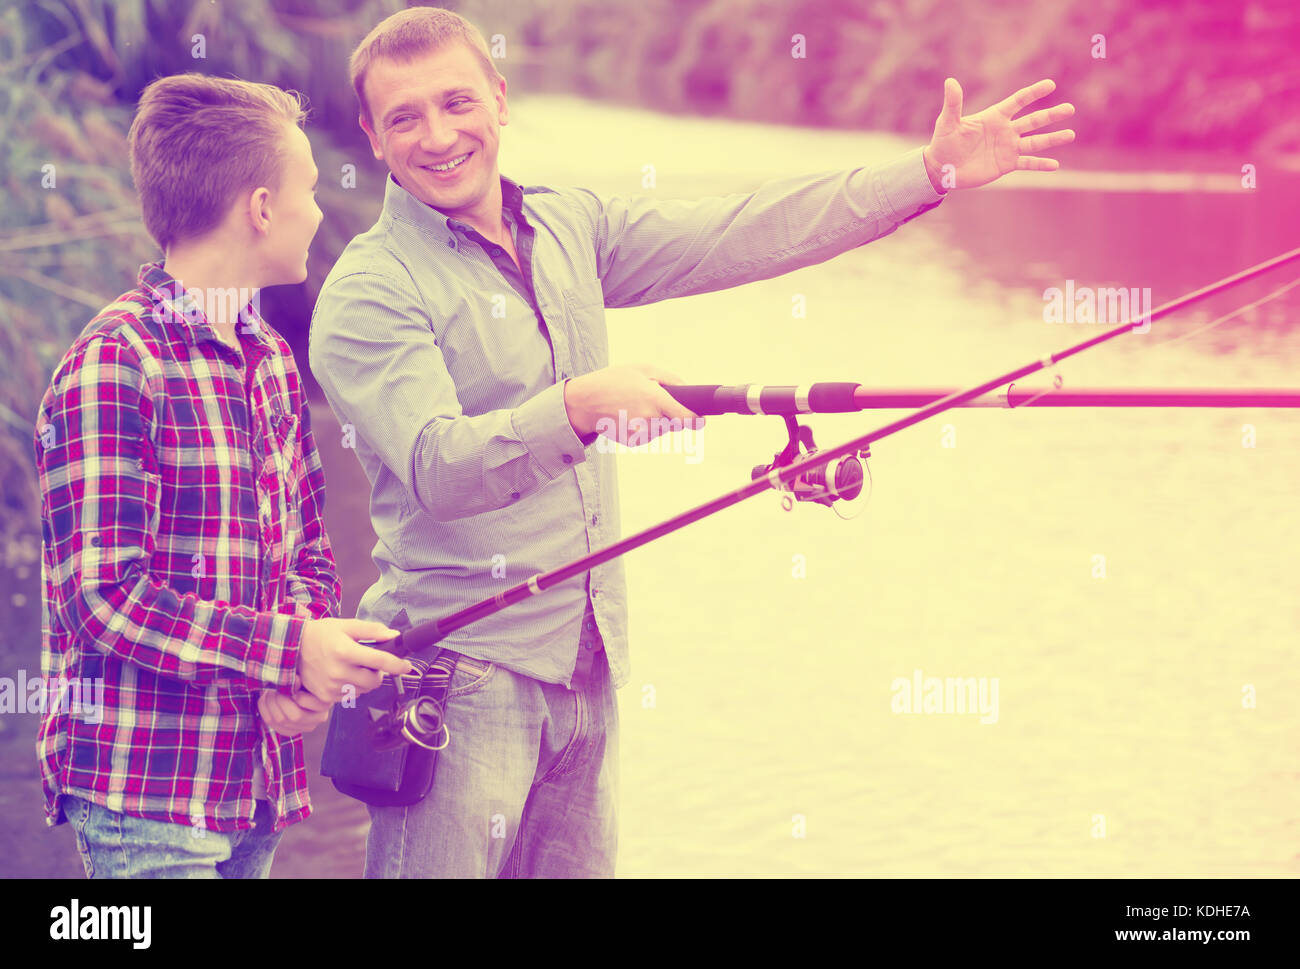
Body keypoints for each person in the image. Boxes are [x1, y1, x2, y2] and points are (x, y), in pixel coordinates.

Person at [309, 6, 1075, 878]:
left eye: (456, 103)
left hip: (587, 663)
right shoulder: (370, 290)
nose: (439, 136)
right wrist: (582, 404)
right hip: (454, 684)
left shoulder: (568, 227)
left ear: (500, 99)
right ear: (372, 136)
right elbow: (439, 469)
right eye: (405, 117)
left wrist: (926, 173)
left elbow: (735, 232)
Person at [33, 73, 412, 878]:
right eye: (308, 189)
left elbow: (307, 549)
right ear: (262, 207)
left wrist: (304, 670)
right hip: (146, 800)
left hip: (253, 788)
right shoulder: (114, 364)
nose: (319, 209)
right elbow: (103, 597)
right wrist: (287, 649)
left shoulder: (271, 359)